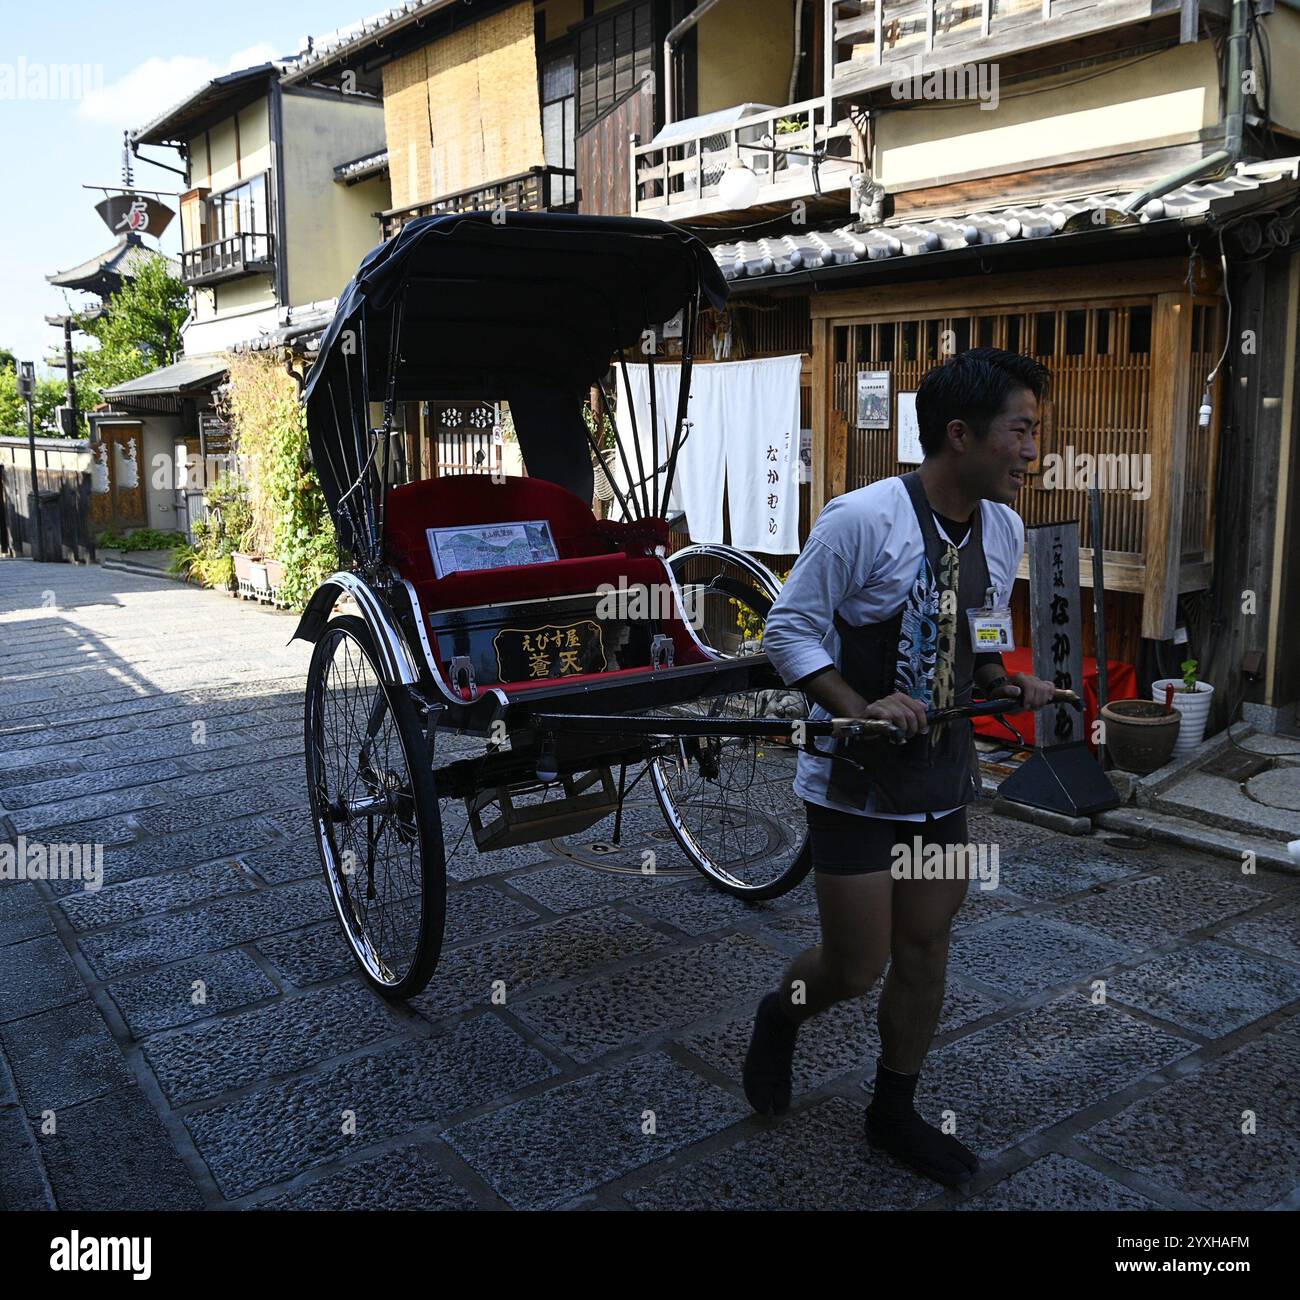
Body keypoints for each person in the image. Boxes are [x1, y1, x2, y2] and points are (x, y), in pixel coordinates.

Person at [744, 347, 1057, 1188]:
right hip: (854, 781)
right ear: (961, 435)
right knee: (856, 965)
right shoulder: (861, 519)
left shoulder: (1001, 524)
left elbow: (983, 620)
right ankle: (782, 1014)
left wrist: (1000, 677)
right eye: (1021, 431)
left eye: (1035, 430)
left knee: (925, 947)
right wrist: (857, 706)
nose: (1033, 449)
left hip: (942, 778)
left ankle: (893, 1109)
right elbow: (789, 632)